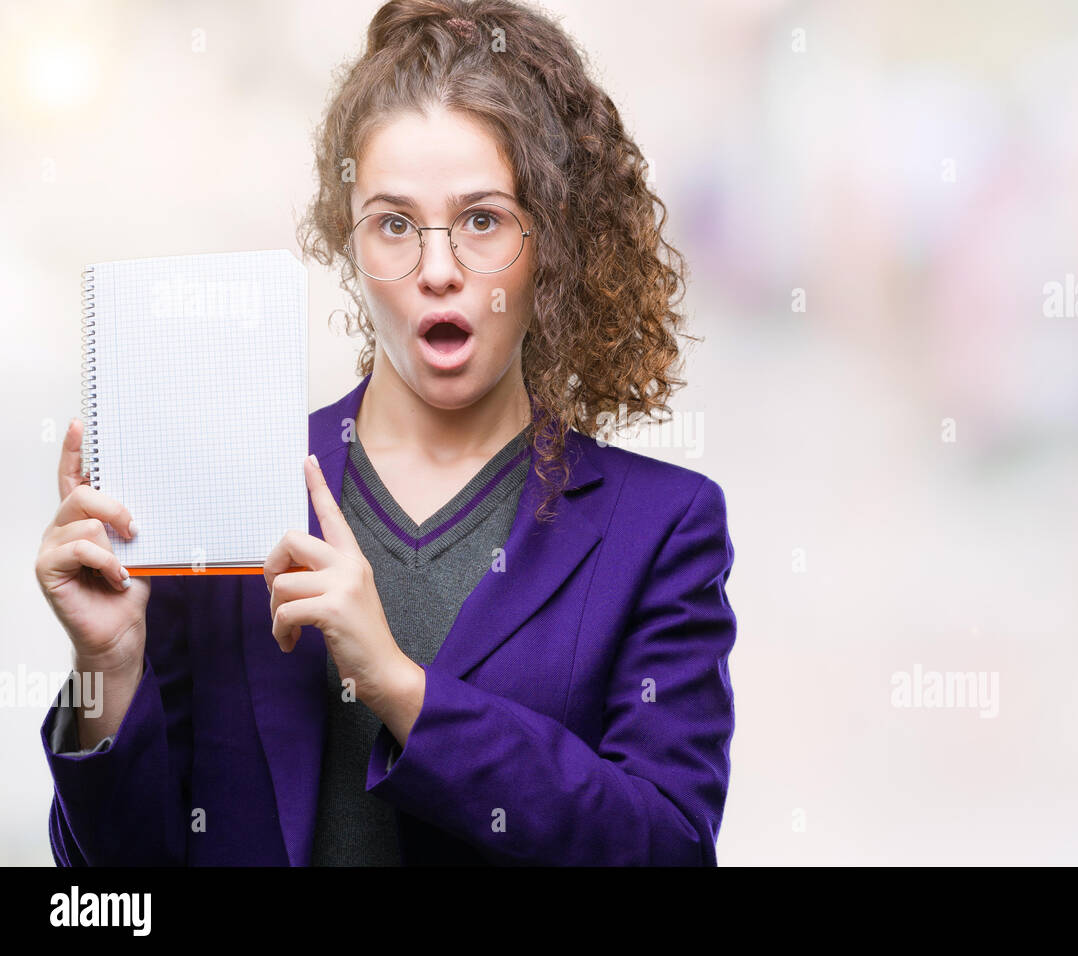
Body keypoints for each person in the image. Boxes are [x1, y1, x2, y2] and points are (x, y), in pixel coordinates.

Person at [32, 0, 737, 866]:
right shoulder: (229, 486)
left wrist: (400, 687)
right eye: (395, 224)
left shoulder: (661, 528)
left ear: (549, 239)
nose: (437, 270)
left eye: (481, 219)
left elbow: (666, 846)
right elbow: (118, 890)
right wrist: (107, 664)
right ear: (348, 239)